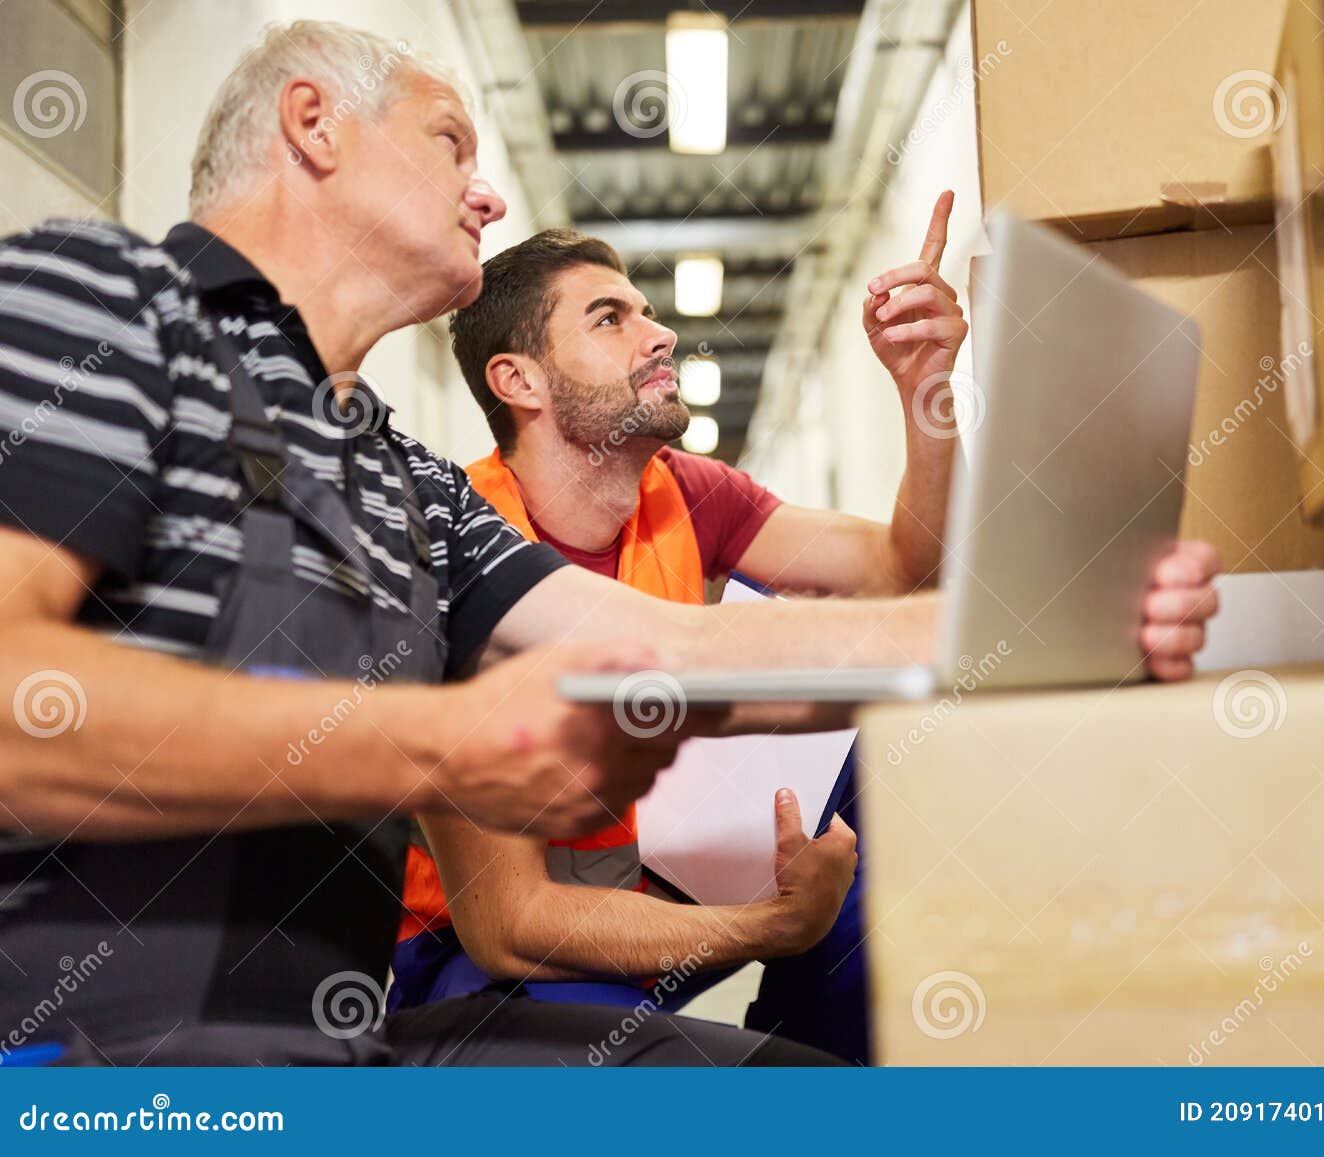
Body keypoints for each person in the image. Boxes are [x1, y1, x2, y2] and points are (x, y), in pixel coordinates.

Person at [0, 20, 1043, 1066]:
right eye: (451, 143)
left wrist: (1039, 619)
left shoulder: (408, 482)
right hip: (81, 1063)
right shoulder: (104, 299)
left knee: (826, 1097)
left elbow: (682, 649)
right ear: (314, 125)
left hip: (335, 1052)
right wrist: (443, 739)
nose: (490, 197)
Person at [388, 191, 1223, 1062]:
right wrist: (770, 925)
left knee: (876, 787)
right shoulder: (467, 550)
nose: (659, 333)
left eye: (645, 309)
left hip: (658, 875)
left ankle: (822, 1054)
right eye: (610, 318)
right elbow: (513, 924)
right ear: (518, 381)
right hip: (498, 949)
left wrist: (925, 388)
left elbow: (902, 571)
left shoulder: (684, 490)